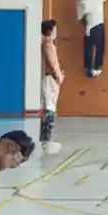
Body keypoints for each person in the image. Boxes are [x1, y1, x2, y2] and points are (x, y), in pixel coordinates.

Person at [76, 0, 108, 77]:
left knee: (97, 47)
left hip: (97, 25)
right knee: (91, 48)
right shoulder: (83, 0)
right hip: (92, 26)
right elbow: (80, 18)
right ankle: (91, 68)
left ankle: (94, 67)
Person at [40, 20, 65, 154]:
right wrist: (58, 74)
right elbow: (52, 61)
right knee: (49, 108)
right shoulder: (48, 44)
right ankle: (47, 141)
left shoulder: (48, 43)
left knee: (50, 107)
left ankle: (46, 140)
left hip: (50, 77)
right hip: (50, 78)